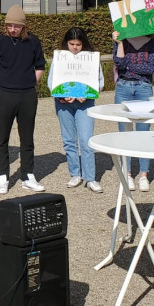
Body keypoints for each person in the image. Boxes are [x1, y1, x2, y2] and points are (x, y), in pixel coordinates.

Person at [0, 5, 47, 194]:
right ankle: (2, 176)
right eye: (10, 25)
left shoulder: (33, 42)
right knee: (2, 136)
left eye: (16, 26)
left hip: (27, 94)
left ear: (23, 26)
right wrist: (5, 83)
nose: (13, 29)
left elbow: (40, 66)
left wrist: (29, 83)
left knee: (27, 137)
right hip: (5, 94)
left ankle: (27, 175)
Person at [49, 27, 106, 193]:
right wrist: (61, 95)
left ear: (83, 43)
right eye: (71, 44)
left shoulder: (91, 58)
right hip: (63, 104)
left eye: (78, 44)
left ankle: (90, 177)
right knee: (69, 141)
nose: (75, 47)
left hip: (85, 104)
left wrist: (87, 94)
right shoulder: (59, 58)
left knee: (86, 140)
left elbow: (100, 82)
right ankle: (75, 174)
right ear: (66, 43)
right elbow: (52, 81)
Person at [111, 29, 154, 192]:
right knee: (124, 131)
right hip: (123, 86)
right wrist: (118, 43)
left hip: (144, 87)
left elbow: (149, 69)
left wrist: (129, 66)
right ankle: (127, 173)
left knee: (144, 131)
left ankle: (144, 174)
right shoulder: (122, 41)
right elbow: (119, 62)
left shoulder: (152, 43)